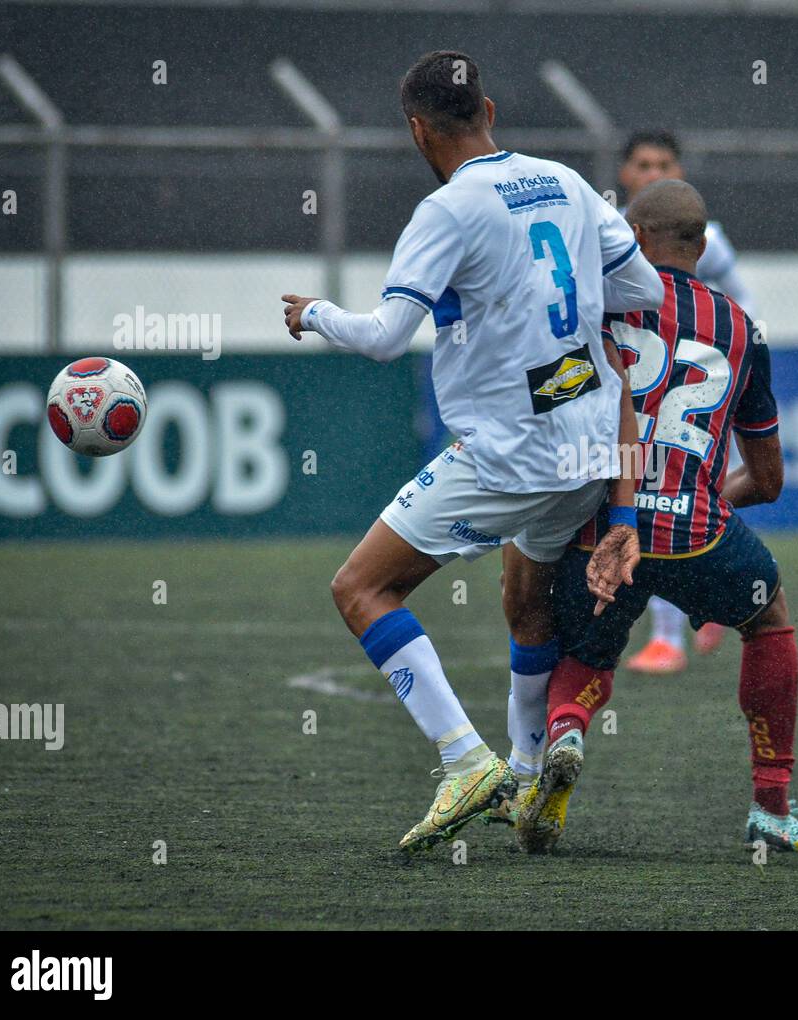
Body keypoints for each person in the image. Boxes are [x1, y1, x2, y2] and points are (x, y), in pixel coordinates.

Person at [281, 51, 660, 852]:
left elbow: (385, 338)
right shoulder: (565, 182)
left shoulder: (446, 211)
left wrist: (314, 312)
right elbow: (647, 295)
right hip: (589, 456)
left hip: (508, 458)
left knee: (360, 588)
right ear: (488, 109)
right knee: (525, 599)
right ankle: (525, 776)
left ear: (419, 130)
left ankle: (464, 761)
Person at [513, 180, 798, 856]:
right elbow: (771, 480)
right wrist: (700, 502)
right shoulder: (741, 329)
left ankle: (566, 731)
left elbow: (543, 398)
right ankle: (772, 806)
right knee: (767, 614)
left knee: (584, 650)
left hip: (603, 532)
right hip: (699, 535)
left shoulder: (597, 311)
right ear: (703, 246)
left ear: (634, 238)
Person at [617, 130, 759, 673]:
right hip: (637, 377)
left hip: (688, 383)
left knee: (661, 495)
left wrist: (726, 356)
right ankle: (708, 595)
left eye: (664, 164)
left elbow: (742, 302)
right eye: (643, 165)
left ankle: (668, 637)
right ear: (626, 174)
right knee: (655, 498)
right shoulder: (615, 235)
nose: (653, 174)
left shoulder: (709, 241)